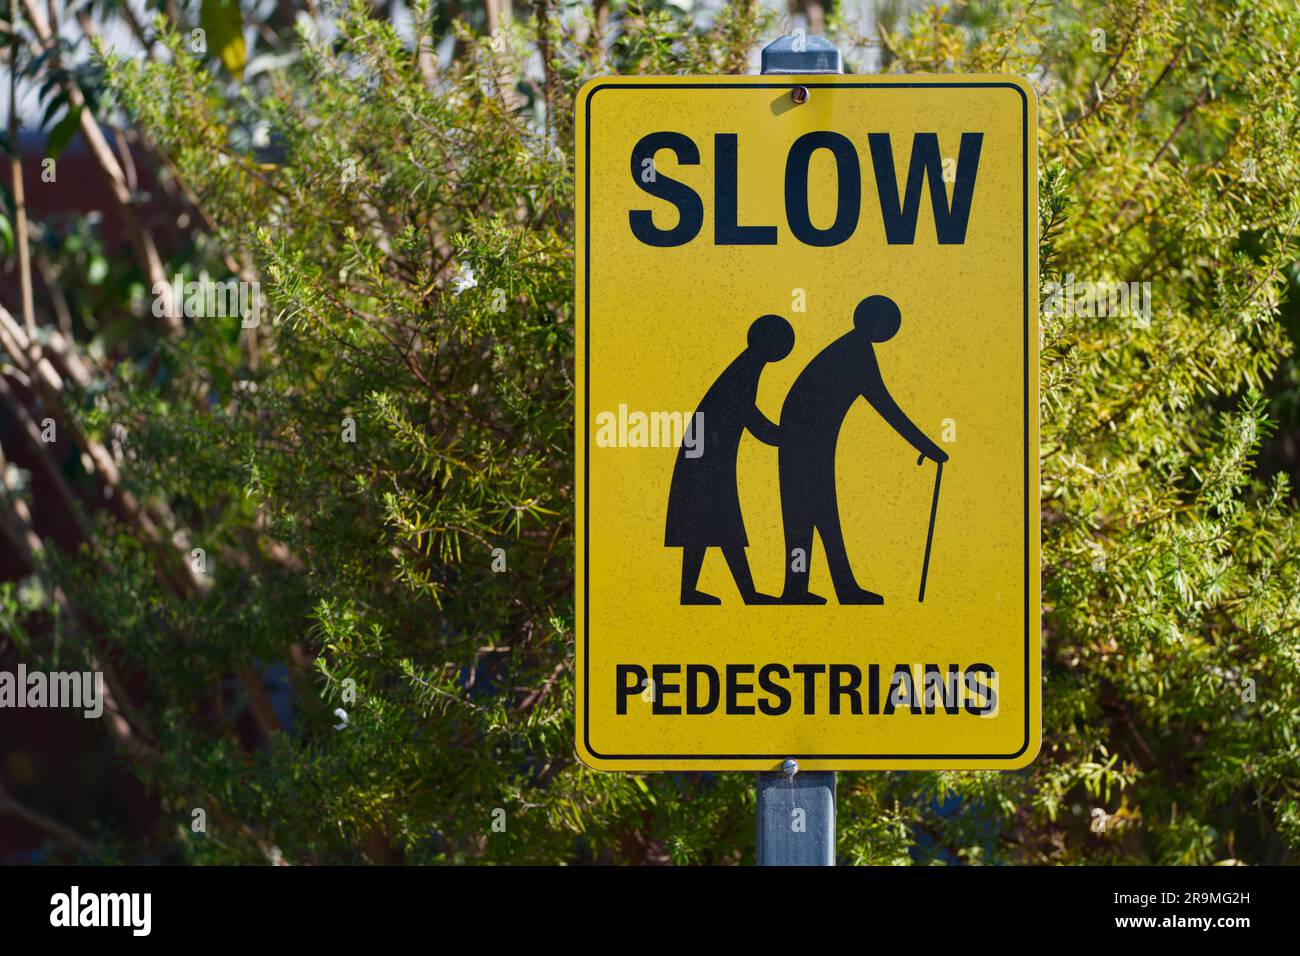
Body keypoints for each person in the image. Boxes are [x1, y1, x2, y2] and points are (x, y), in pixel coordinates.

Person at [777, 295, 947, 605]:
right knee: (810, 517)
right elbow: (887, 407)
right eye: (887, 323)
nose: (890, 330)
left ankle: (819, 588)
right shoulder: (855, 355)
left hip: (807, 443)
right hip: (804, 444)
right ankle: (810, 589)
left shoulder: (852, 348)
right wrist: (928, 448)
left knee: (817, 517)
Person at [666, 314, 794, 604]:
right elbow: (749, 415)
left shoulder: (747, 365)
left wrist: (779, 435)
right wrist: (786, 437)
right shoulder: (746, 369)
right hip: (707, 455)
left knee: (708, 524)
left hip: (708, 454)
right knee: (717, 522)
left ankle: (701, 592)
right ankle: (744, 594)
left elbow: (746, 414)